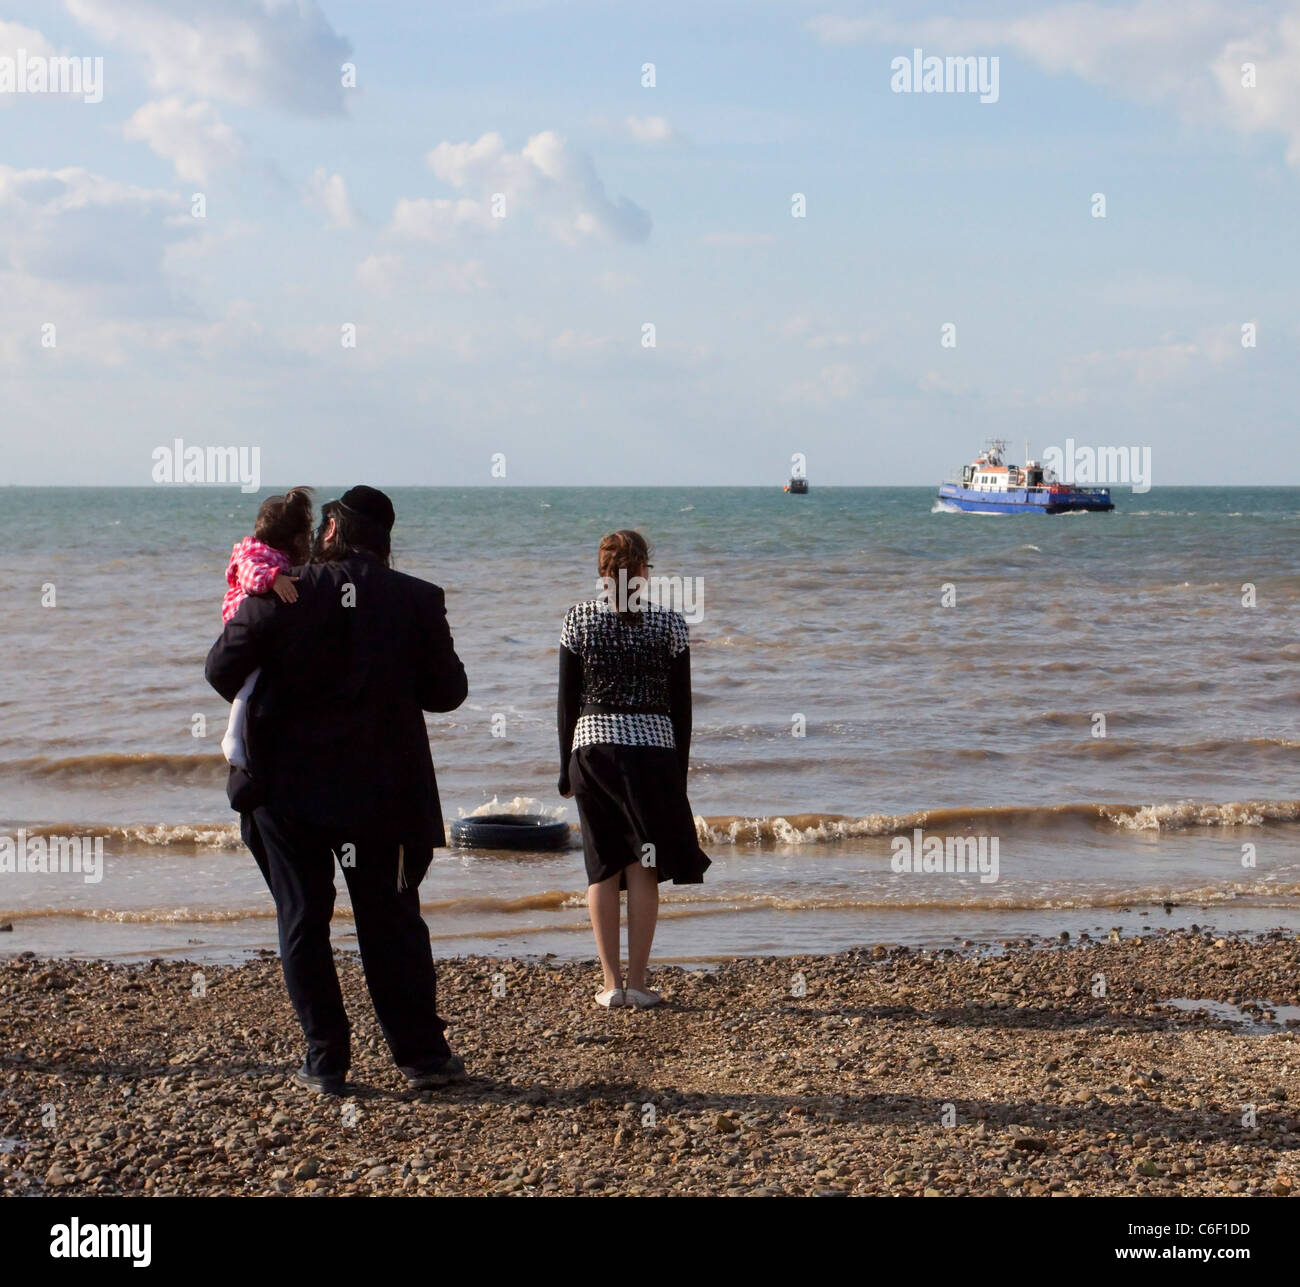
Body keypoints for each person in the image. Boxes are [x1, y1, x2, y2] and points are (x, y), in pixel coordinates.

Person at [205, 486, 468, 1094]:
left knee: (302, 920)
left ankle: (326, 1063)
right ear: (385, 540)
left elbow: (220, 668)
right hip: (384, 795)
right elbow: (447, 693)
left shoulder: (282, 592)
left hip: (286, 791)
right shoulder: (417, 599)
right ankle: (422, 1059)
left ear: (328, 534)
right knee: (392, 922)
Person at [557, 529, 709, 1009]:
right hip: (652, 756)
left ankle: (610, 985)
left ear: (602, 570)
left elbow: (566, 703)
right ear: (644, 570)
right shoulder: (669, 624)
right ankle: (639, 984)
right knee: (643, 865)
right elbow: (682, 710)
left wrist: (565, 766)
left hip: (593, 750)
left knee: (602, 868)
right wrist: (678, 774)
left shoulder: (577, 619)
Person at [218, 487, 314, 769]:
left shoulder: (278, 557)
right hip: (243, 621)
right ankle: (232, 735)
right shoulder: (254, 555)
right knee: (251, 680)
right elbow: (248, 576)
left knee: (257, 681)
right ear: (295, 539)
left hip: (260, 626)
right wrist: (273, 579)